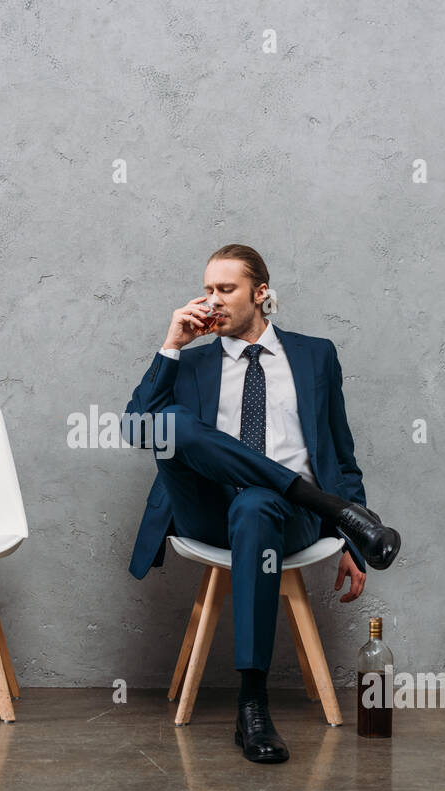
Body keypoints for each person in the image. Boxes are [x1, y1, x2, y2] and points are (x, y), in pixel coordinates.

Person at [124, 243, 400, 763]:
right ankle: (316, 499)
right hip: (206, 510)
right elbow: (136, 426)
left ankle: (252, 703)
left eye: (225, 289)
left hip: (281, 518)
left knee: (255, 504)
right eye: (207, 290)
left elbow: (342, 454)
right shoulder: (191, 360)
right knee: (172, 424)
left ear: (261, 293)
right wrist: (171, 344)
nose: (212, 301)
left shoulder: (315, 355)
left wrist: (350, 541)